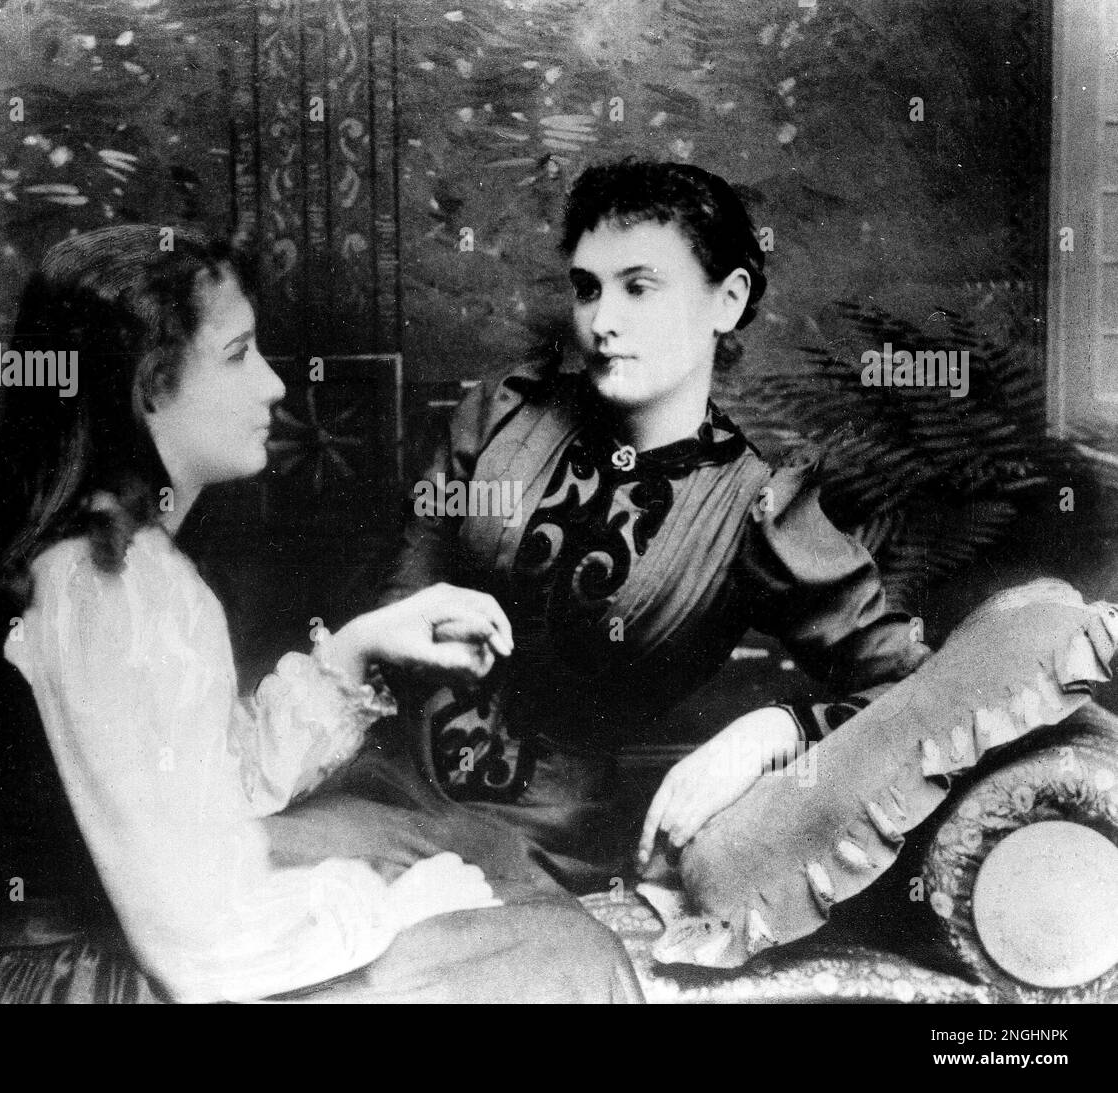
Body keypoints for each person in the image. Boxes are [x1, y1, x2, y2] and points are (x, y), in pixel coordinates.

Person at [0, 224, 641, 1003]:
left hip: (139, 942)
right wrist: (394, 910)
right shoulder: (95, 585)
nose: (272, 385)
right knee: (551, 956)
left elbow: (205, 788)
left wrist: (358, 648)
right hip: (87, 981)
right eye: (237, 355)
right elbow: (198, 941)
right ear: (150, 386)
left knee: (490, 875)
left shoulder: (136, 563)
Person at [368, 158, 933, 893]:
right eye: (588, 289)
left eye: (640, 288)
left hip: (536, 843)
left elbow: (914, 687)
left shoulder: (757, 513)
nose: (603, 321)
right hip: (381, 773)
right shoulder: (501, 415)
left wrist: (776, 732)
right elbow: (397, 600)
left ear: (727, 301)